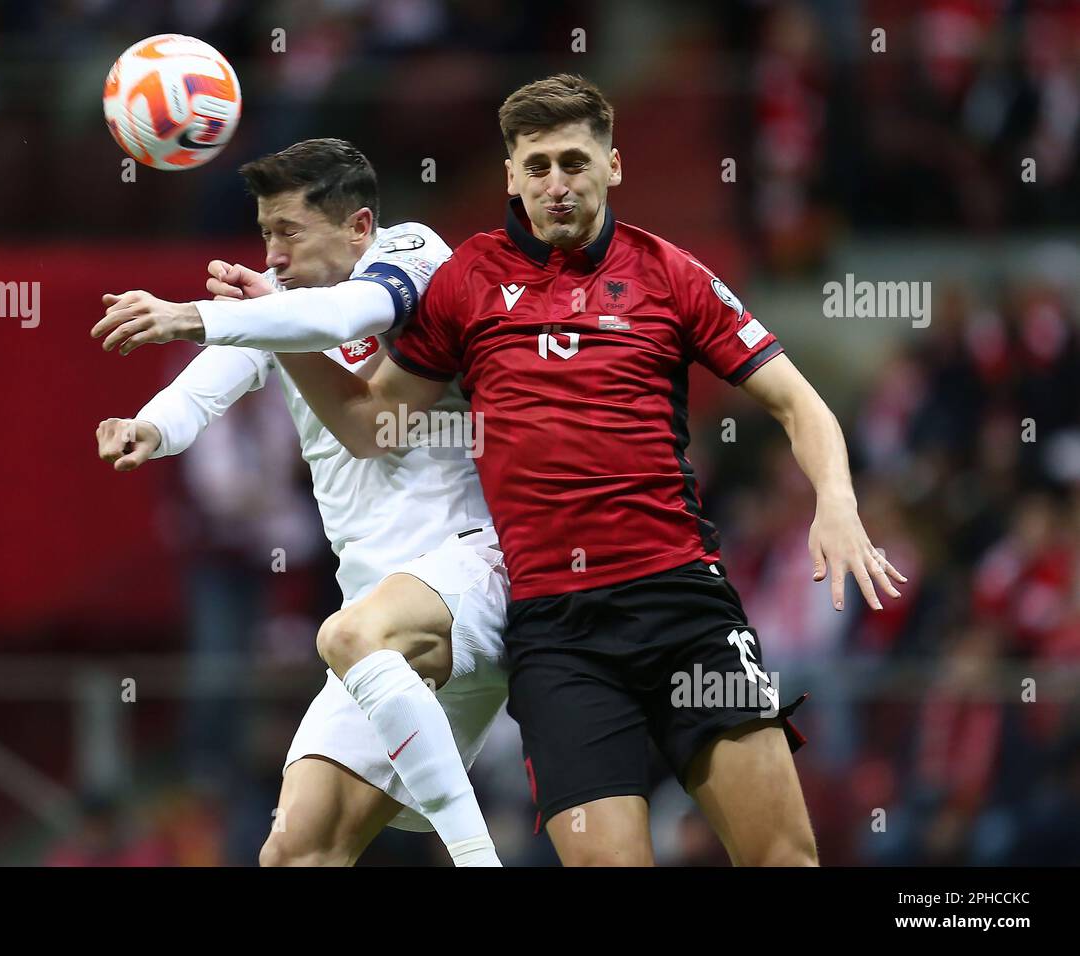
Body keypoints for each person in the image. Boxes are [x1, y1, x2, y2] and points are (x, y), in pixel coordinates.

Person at [171, 76, 909, 866]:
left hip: (685, 607)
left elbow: (802, 405)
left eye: (574, 162)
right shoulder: (465, 285)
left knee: (785, 857)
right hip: (557, 635)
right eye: (539, 166)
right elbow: (366, 424)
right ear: (511, 176)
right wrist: (272, 329)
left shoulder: (670, 275)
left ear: (612, 165)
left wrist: (837, 503)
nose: (557, 184)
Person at [91, 139, 509, 866]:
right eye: (265, 234)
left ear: (357, 226)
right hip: (377, 615)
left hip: (473, 571)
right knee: (295, 851)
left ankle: (480, 860)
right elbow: (210, 381)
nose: (273, 254)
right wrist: (150, 427)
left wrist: (192, 313)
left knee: (348, 636)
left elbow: (347, 316)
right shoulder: (281, 310)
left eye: (288, 231)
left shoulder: (413, 254)